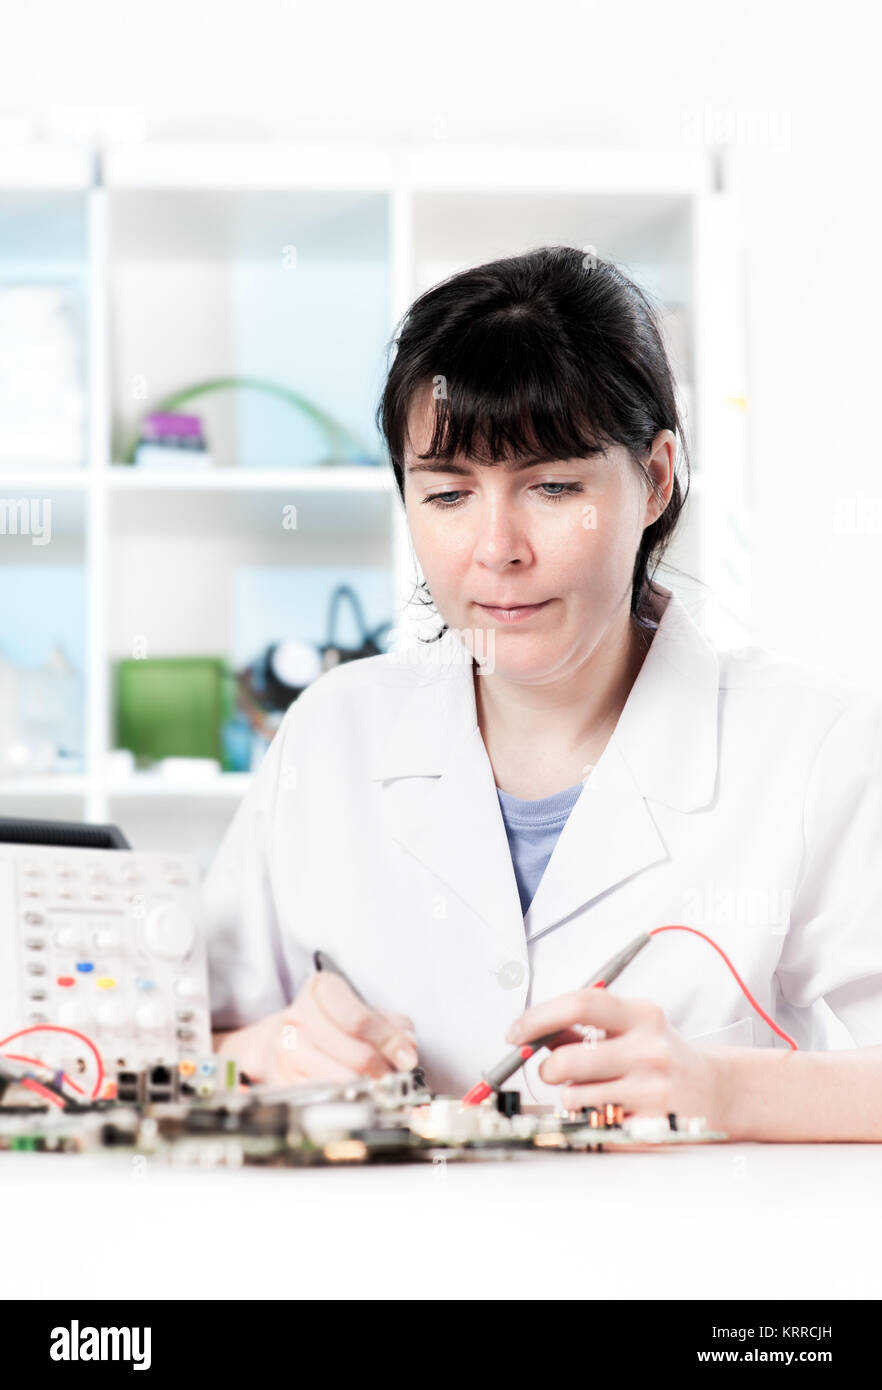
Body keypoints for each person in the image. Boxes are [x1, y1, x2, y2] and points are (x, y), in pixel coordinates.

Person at [203, 246, 882, 1142]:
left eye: (552, 487)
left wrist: (723, 1087)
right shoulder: (332, 733)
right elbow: (166, 1044)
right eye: (447, 495)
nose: (497, 549)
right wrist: (269, 1048)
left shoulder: (815, 746)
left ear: (656, 479)